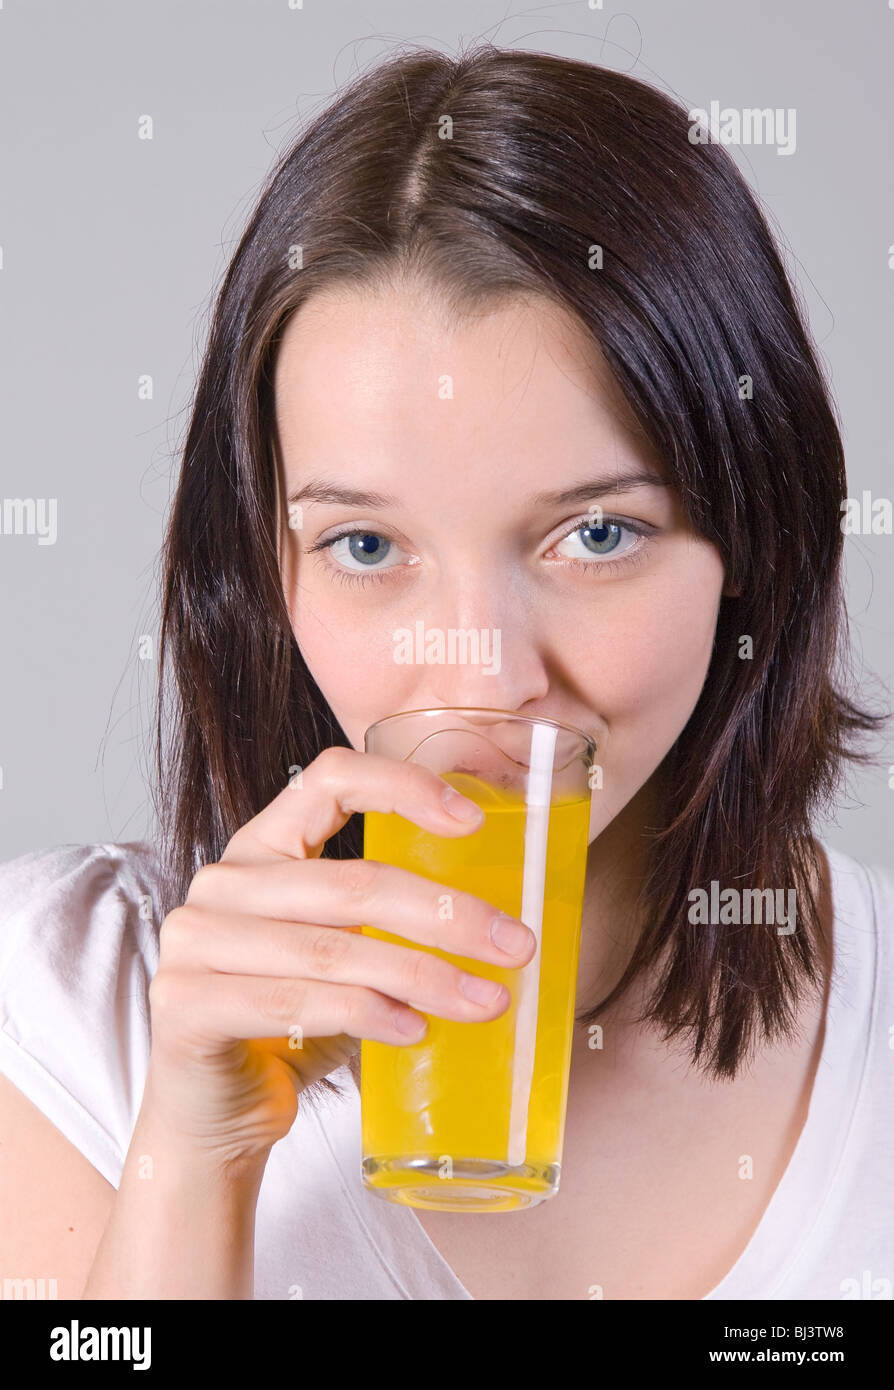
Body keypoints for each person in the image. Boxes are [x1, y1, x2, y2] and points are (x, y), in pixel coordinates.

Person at [1, 44, 892, 1302]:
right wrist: (191, 1164)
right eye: (367, 546)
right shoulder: (56, 1003)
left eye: (596, 535)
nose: (482, 671)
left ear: (751, 530)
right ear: (266, 565)